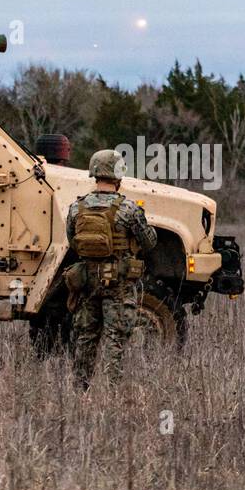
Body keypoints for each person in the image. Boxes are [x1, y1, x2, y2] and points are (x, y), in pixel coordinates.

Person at [64, 149, 157, 386]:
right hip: (119, 283)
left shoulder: (77, 208)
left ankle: (80, 388)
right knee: (116, 337)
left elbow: (72, 242)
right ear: (118, 177)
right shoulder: (129, 210)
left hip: (87, 280)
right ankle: (112, 389)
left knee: (86, 335)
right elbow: (149, 243)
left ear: (95, 175)